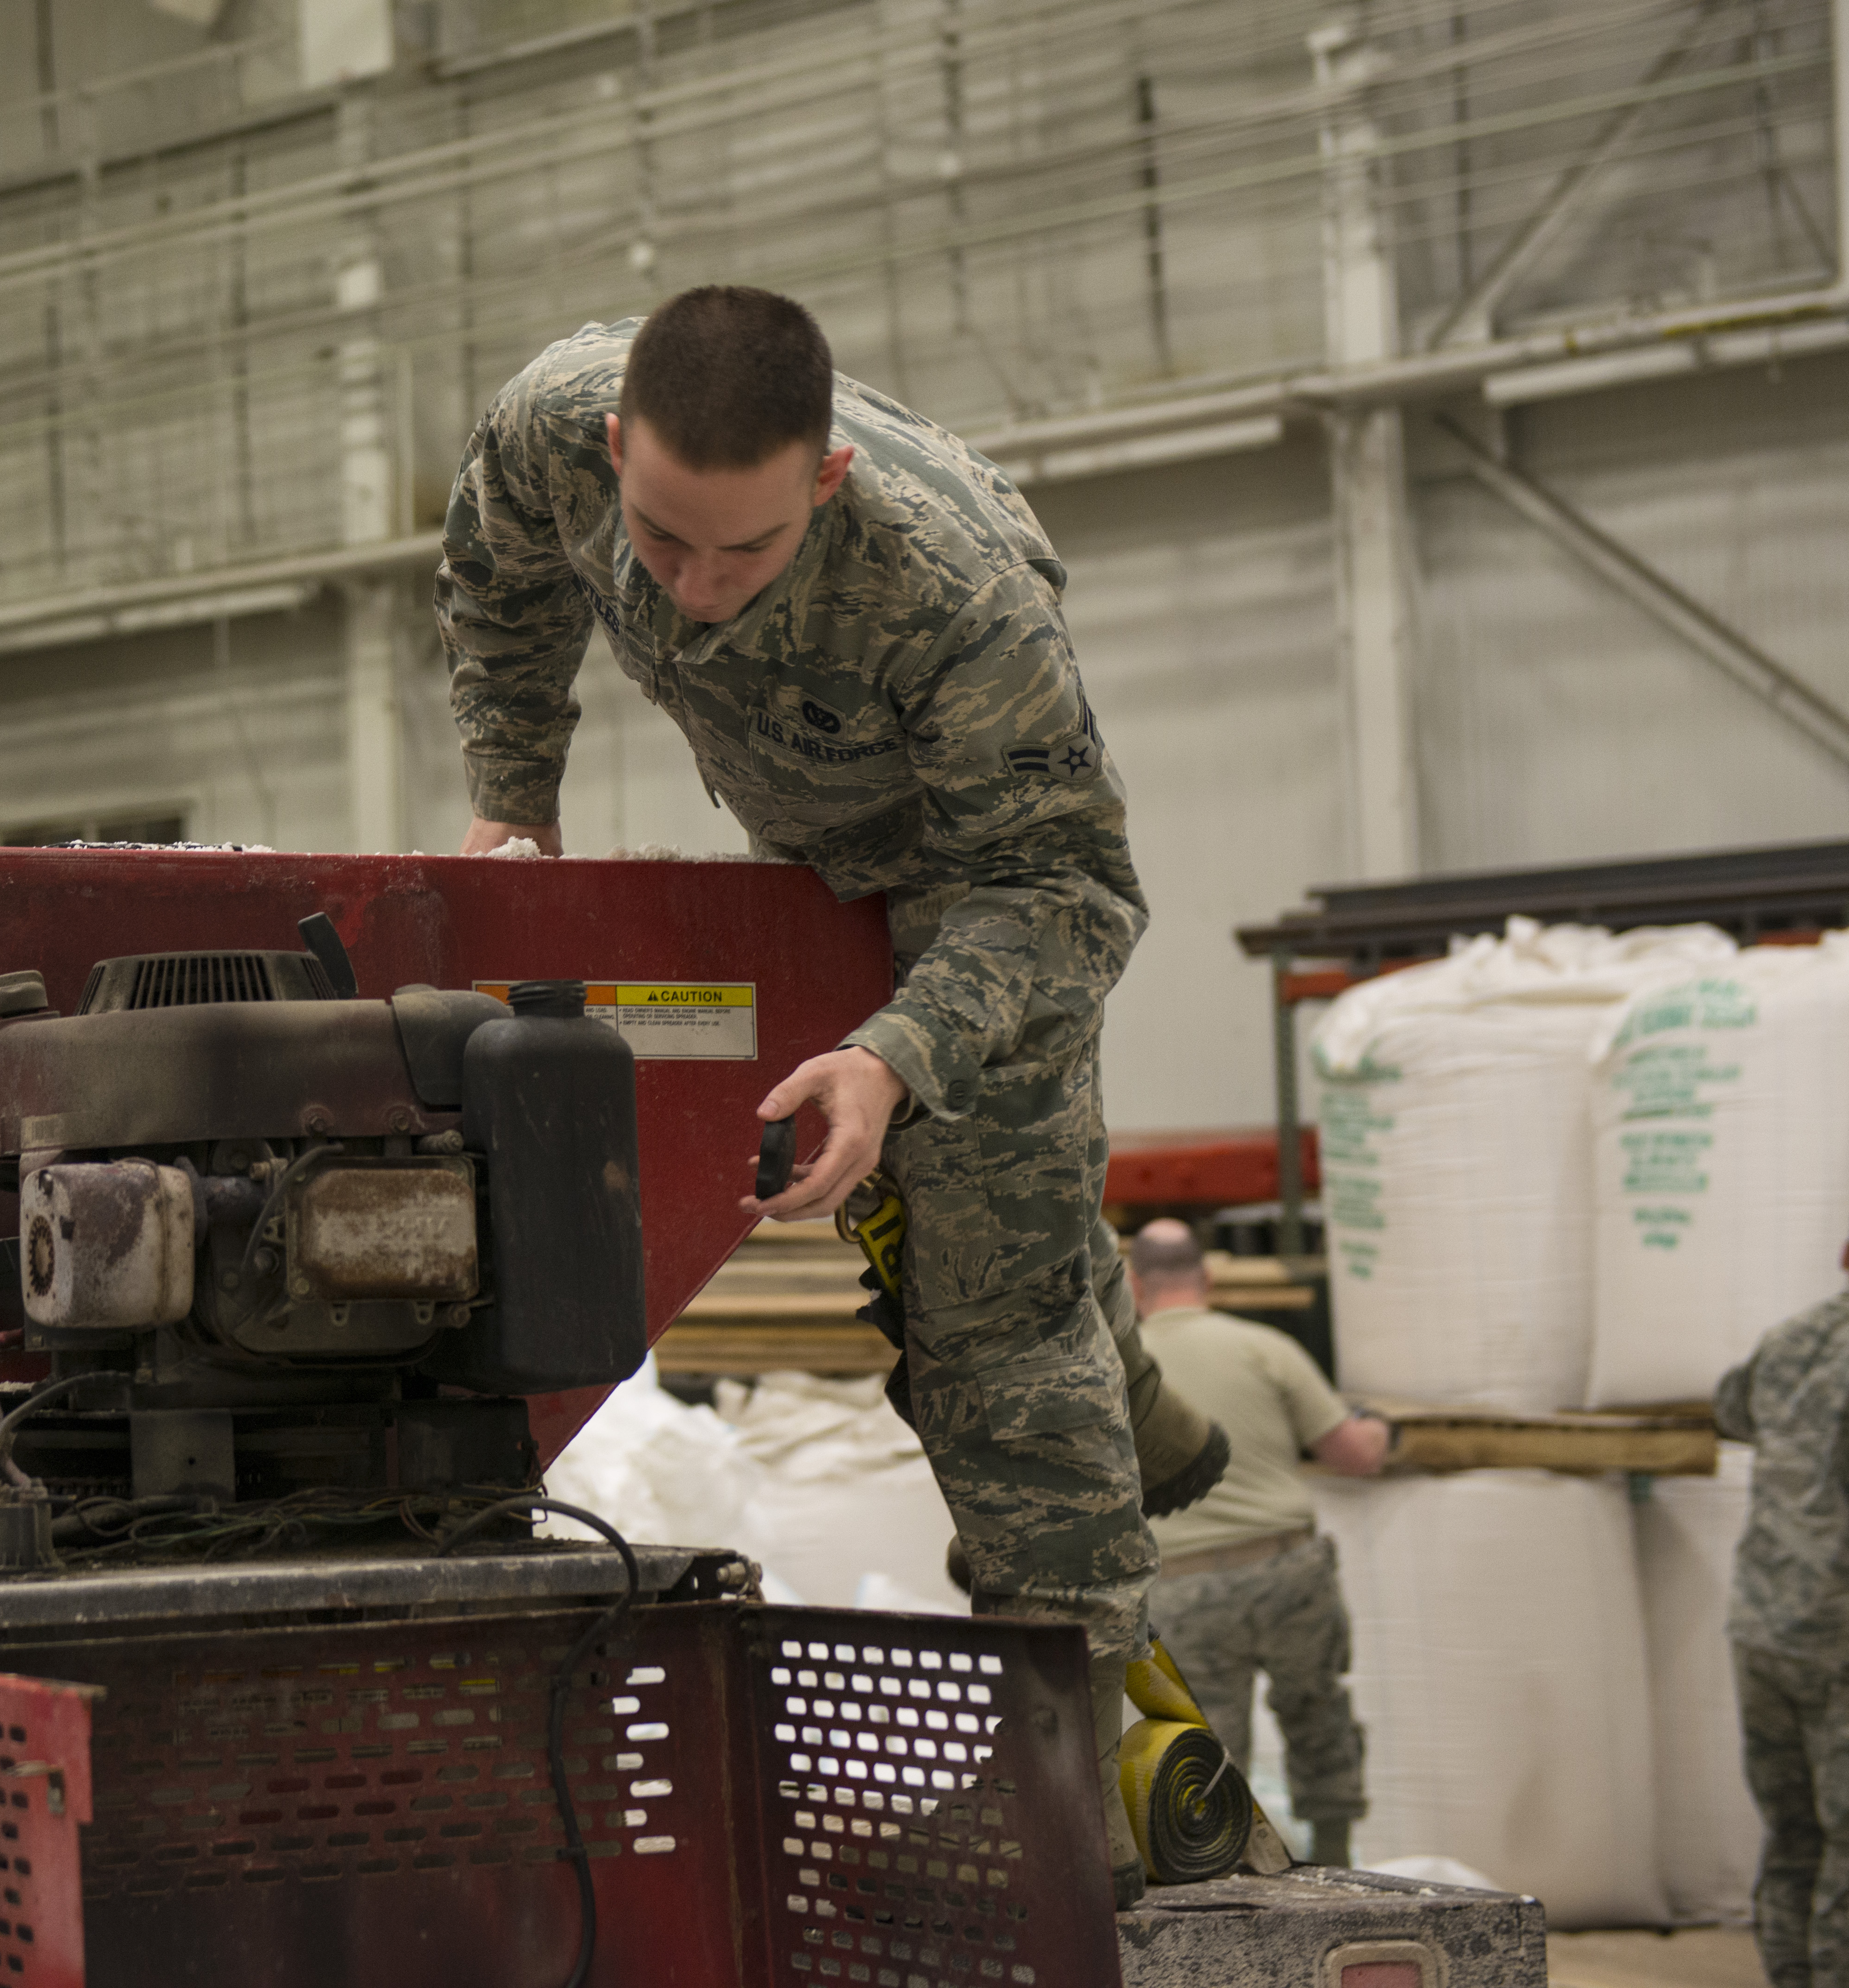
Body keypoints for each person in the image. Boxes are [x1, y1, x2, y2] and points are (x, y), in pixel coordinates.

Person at [435, 284, 1222, 1904]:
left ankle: (1076, 1795)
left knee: (991, 1331)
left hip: (971, 882)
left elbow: (1068, 893)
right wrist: (517, 806)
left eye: (749, 552)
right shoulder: (546, 434)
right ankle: (1147, 1410)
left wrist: (898, 1050)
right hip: (799, 853)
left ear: (830, 487)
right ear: (611, 453)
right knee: (897, 1262)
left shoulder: (960, 604)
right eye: (662, 546)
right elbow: (500, 589)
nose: (700, 591)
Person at [1125, 1219, 1384, 1869]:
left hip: (1182, 1587)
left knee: (1209, 1749)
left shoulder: (1122, 1366)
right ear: (1208, 1277)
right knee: (1317, 1711)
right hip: (1287, 1569)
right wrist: (1384, 1431)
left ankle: (1233, 1876)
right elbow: (1352, 1455)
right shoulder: (1266, 1348)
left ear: (1133, 1284)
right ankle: (1336, 1860)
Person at [1711, 1239, 1849, 1988]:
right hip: (1840, 1638)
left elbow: (1730, 1411)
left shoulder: (1792, 1337)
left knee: (1794, 1829)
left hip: (1764, 1624)